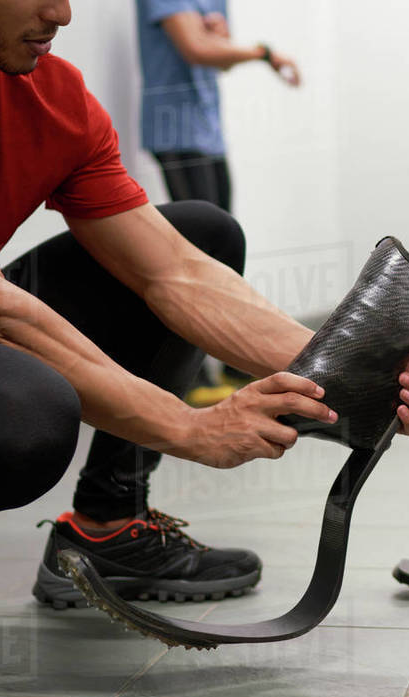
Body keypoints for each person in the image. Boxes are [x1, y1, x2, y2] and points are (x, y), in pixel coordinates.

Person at [0, 0, 409, 608]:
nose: (63, 12)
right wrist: (187, 427)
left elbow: (174, 273)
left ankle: (106, 528)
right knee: (20, 423)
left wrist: (354, 371)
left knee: (202, 232)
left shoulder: (48, 94)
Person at [135, 0, 301, 406]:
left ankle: (231, 364)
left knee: (223, 250)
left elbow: (217, 60)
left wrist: (222, 43)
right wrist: (264, 53)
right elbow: (197, 50)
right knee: (193, 259)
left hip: (207, 130)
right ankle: (183, 377)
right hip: (175, 130)